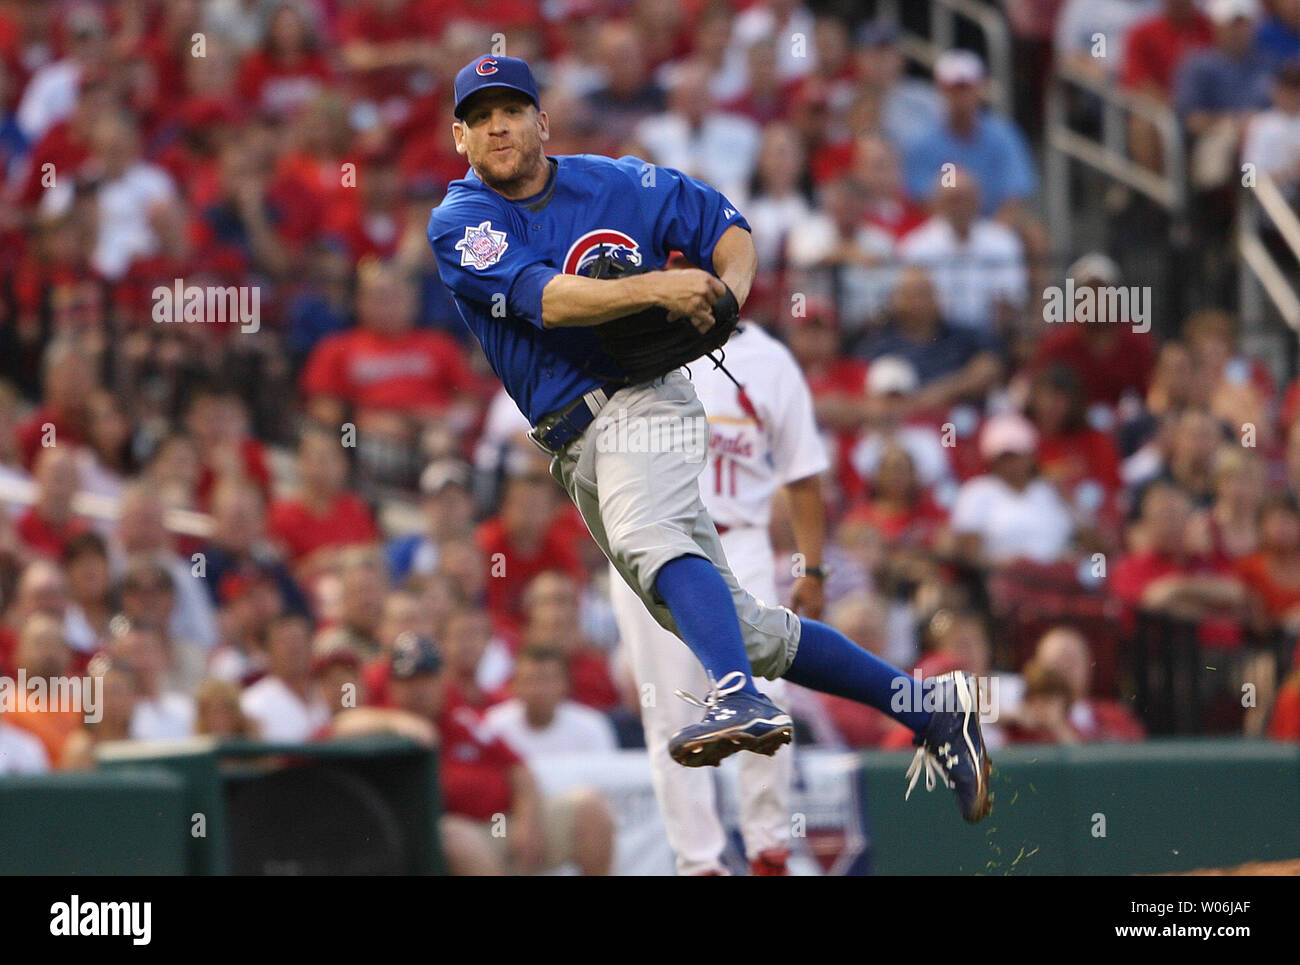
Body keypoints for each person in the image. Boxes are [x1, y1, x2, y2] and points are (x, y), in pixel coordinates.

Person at [426, 56, 992, 823]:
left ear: (542, 121)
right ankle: (926, 708)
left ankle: (736, 697)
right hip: (572, 444)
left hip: (643, 402)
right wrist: (662, 286)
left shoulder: (615, 181)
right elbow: (549, 300)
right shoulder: (461, 220)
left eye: (514, 109)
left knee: (651, 536)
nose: (500, 125)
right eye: (482, 115)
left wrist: (732, 292)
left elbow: (725, 224)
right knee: (751, 630)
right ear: (460, 136)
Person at [608, 319, 828, 875]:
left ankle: (768, 849)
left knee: (763, 696)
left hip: (740, 542)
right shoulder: (628, 339)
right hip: (647, 548)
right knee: (668, 711)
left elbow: (803, 474)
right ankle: (700, 862)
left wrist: (814, 566)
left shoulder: (768, 360)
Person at [482, 646, 619, 757]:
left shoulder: (592, 726)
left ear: (565, 684)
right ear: (514, 685)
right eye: (529, 680)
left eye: (547, 680)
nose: (538, 690)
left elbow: (605, 779)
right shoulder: (494, 726)